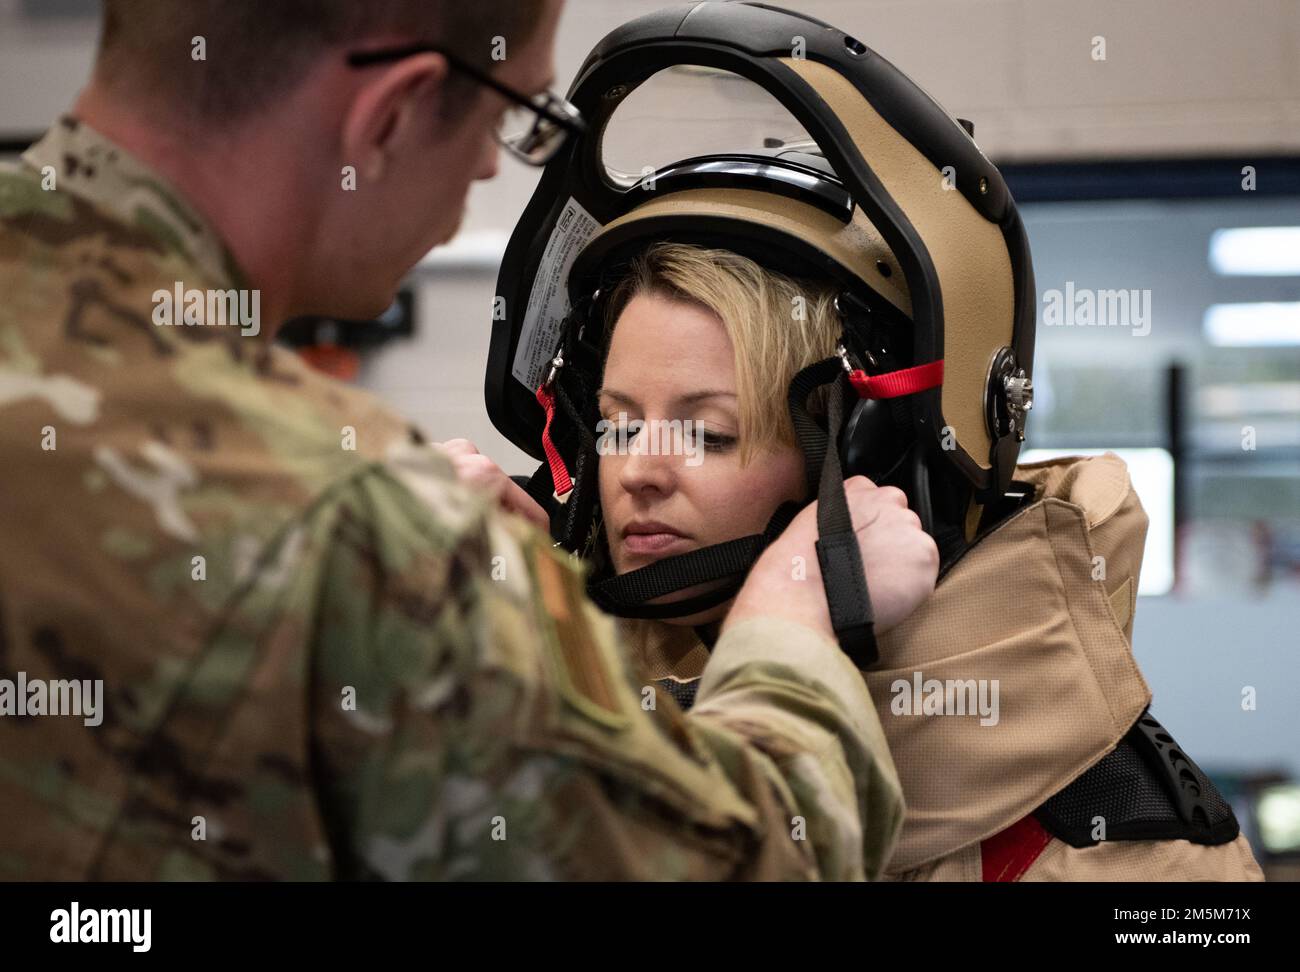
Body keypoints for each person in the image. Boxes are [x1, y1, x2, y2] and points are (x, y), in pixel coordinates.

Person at [0, 0, 942, 880]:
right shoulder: (355, 526)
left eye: (703, 428)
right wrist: (795, 605)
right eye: (516, 117)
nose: (495, 168)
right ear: (393, 113)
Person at [472, 239, 1262, 881]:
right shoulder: (573, 673)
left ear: (865, 463)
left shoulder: (1132, 852)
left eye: (708, 433)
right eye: (616, 426)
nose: (635, 470)